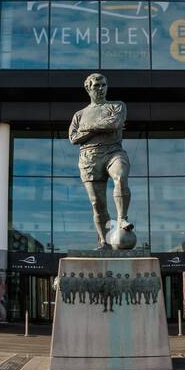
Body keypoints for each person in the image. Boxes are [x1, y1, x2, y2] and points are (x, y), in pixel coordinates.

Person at [68, 73, 133, 250]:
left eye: (103, 85)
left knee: (120, 177)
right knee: (98, 204)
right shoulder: (79, 115)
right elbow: (73, 138)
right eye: (96, 85)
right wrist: (101, 126)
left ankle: (121, 218)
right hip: (89, 158)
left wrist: (88, 129)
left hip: (114, 152)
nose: (101, 89)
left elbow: (114, 123)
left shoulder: (117, 106)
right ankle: (104, 241)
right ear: (88, 88)